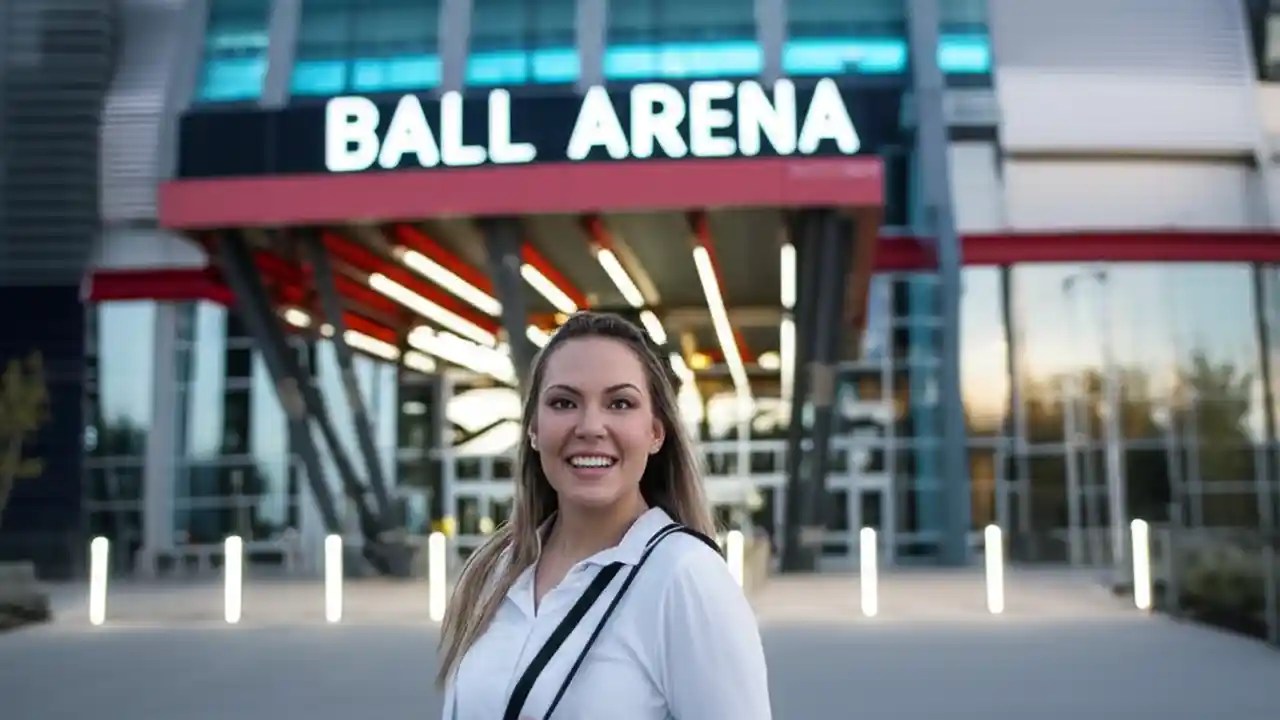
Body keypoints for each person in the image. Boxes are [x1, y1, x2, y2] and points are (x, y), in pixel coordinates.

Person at [437, 311, 772, 720]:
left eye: (620, 403)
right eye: (564, 402)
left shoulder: (685, 576)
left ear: (655, 432)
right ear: (534, 429)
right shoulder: (498, 569)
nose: (590, 426)